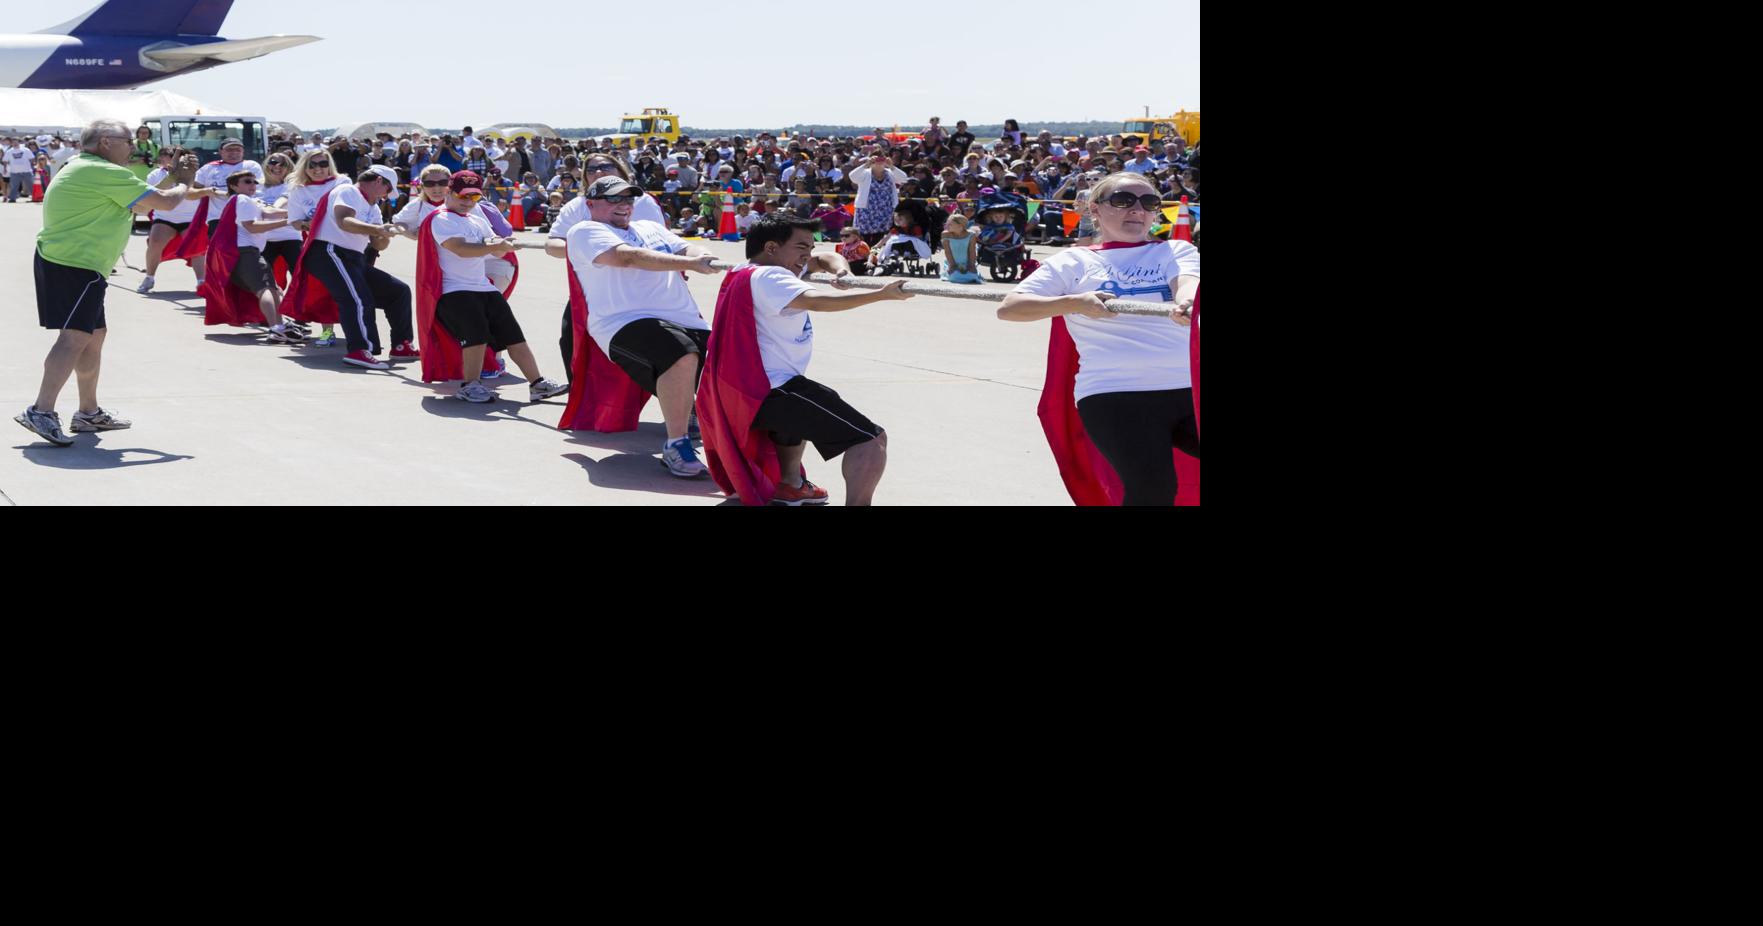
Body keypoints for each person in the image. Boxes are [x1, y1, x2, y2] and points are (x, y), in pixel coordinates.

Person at [997, 173, 1201, 506]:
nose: (1137, 210)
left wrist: (1187, 301)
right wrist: (1076, 302)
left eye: (1148, 203)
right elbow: (1010, 308)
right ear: (1095, 208)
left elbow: (1187, 282)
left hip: (1189, 390)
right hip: (1116, 395)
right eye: (1123, 200)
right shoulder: (1072, 261)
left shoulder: (1175, 249)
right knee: (1153, 490)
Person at [697, 213, 908, 506]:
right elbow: (817, 301)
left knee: (798, 416)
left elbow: (823, 259)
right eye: (801, 248)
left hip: (746, 391)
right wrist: (880, 295)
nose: (806, 256)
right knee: (871, 440)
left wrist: (842, 271)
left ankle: (790, 484)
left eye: (808, 248)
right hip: (771, 389)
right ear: (772, 248)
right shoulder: (774, 276)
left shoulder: (746, 270)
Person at [16, 120, 192, 446]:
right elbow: (165, 203)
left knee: (93, 336)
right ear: (107, 142)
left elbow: (142, 201)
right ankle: (41, 410)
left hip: (77, 263)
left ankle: (87, 411)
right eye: (129, 141)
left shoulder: (90, 169)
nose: (134, 148)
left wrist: (173, 181)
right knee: (74, 337)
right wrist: (183, 181)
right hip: (75, 264)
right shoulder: (103, 171)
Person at [566, 176, 723, 477]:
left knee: (738, 358)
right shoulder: (586, 231)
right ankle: (677, 444)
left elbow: (683, 249)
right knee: (680, 353)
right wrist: (690, 264)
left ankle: (733, 438)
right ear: (591, 204)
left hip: (686, 319)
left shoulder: (650, 228)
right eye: (613, 199)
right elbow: (628, 257)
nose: (623, 205)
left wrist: (699, 256)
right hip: (624, 322)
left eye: (628, 199)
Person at [415, 171, 568, 403]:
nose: (467, 202)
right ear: (449, 192)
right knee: (475, 338)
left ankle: (538, 384)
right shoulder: (441, 218)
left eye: (474, 198)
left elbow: (497, 250)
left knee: (514, 336)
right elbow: (460, 249)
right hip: (454, 290)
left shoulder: (476, 219)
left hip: (483, 288)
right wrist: (491, 245)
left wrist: (504, 245)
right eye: (462, 196)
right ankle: (470, 385)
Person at [295, 165, 417, 370]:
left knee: (398, 291)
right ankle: (359, 350)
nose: (387, 196)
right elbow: (344, 221)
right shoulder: (348, 191)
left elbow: (379, 245)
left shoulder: (374, 207)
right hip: (329, 251)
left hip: (351, 257)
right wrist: (378, 229)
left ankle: (401, 345)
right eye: (388, 190)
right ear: (379, 181)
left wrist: (384, 234)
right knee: (357, 298)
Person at [201, 171, 304, 342]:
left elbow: (269, 212)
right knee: (266, 289)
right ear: (234, 186)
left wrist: (295, 214)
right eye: (247, 182)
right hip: (246, 252)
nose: (253, 185)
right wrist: (289, 222)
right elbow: (252, 227)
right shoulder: (242, 200)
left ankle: (280, 324)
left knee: (271, 288)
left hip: (245, 252)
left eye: (254, 182)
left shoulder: (247, 201)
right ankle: (276, 327)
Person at [137, 147, 220, 292]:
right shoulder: (156, 174)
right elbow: (155, 193)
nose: (163, 158)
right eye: (162, 155)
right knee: (154, 242)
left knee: (197, 250)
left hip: (191, 218)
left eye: (168, 156)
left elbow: (193, 193)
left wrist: (203, 189)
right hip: (164, 216)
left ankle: (202, 282)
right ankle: (149, 277)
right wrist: (171, 177)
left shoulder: (196, 173)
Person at [849, 155, 907, 245]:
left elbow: (904, 178)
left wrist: (892, 166)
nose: (879, 162)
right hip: (866, 210)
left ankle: (875, 255)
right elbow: (852, 176)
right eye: (875, 160)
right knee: (864, 235)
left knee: (879, 235)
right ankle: (864, 254)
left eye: (882, 160)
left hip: (885, 210)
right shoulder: (865, 173)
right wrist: (866, 164)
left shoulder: (890, 173)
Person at [940, 213, 982, 283]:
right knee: (954, 277)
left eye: (950, 224)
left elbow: (972, 251)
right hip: (951, 263)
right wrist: (952, 266)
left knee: (972, 276)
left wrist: (972, 265)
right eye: (947, 223)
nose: (947, 226)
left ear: (960, 226)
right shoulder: (945, 234)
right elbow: (947, 252)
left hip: (967, 263)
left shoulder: (971, 235)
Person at [4, 136, 34, 202]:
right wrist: (5, 169)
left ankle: (35, 197)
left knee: (30, 185)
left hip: (26, 171)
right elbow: (5, 161)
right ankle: (12, 198)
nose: (15, 143)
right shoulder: (9, 151)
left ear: (19, 142)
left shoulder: (26, 150)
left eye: (16, 141)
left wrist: (30, 166)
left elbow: (32, 158)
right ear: (11, 143)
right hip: (14, 172)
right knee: (14, 186)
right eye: (13, 142)